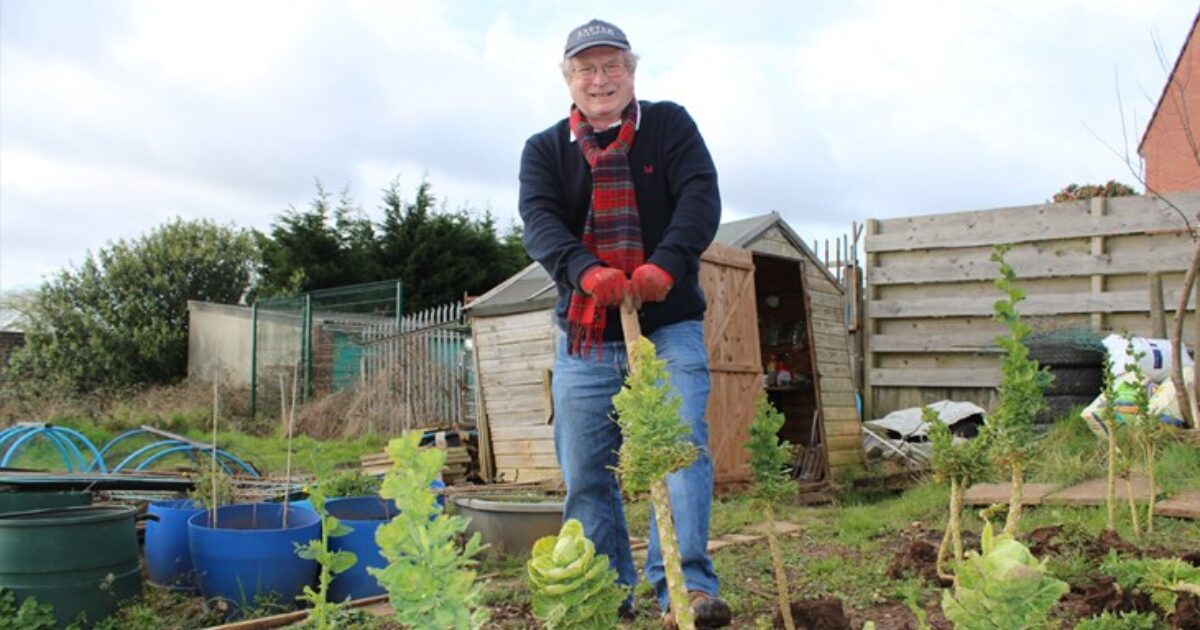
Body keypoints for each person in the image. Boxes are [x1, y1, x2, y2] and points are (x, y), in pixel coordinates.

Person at [518, 18, 730, 628]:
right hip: (585, 339)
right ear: (569, 80)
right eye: (586, 68)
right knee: (586, 472)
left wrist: (667, 263)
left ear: (632, 73)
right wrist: (584, 270)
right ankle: (608, 590)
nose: (600, 78)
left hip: (667, 326)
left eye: (612, 66)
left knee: (680, 451)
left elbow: (700, 196)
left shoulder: (670, 126)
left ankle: (686, 590)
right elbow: (540, 222)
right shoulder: (544, 149)